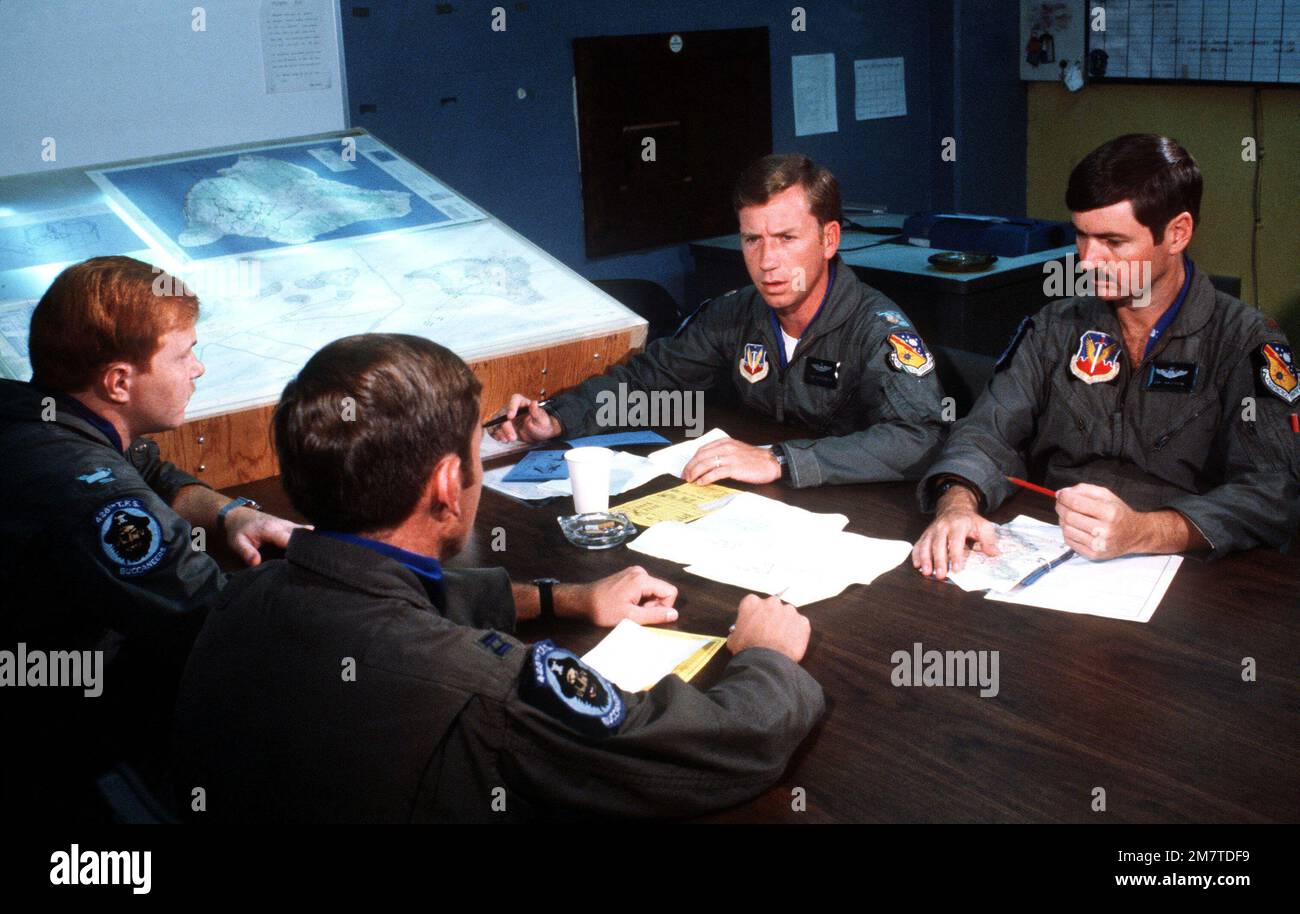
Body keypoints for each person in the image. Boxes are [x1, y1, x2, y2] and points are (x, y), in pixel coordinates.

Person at [173, 333, 824, 822]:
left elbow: (384, 602)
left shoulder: (241, 596)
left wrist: (563, 597)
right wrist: (767, 657)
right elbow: (713, 753)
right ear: (449, 484)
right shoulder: (489, 689)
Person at [913, 134, 1300, 579]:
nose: (1089, 261)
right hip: (1045, 553)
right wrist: (957, 503)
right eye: (1082, 236)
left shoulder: (1245, 340)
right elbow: (986, 433)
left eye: (1113, 241)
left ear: (1177, 233)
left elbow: (1273, 492)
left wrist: (1145, 531)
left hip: (1190, 577)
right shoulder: (1056, 326)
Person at [491, 154, 946, 489]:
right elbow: (647, 380)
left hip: (859, 510)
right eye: (753, 240)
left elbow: (917, 438)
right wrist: (556, 419)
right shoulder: (735, 313)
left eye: (787, 238)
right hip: (761, 503)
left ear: (829, 240)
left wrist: (780, 460)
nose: (768, 262)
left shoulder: (877, 329)